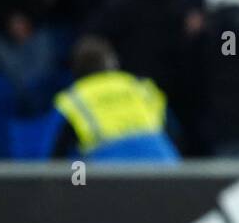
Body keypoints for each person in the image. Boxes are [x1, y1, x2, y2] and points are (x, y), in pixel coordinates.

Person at [50, 36, 179, 162]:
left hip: (110, 168)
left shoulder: (72, 99)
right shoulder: (140, 86)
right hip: (162, 161)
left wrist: (76, 181)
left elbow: (56, 154)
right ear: (114, 62)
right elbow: (174, 130)